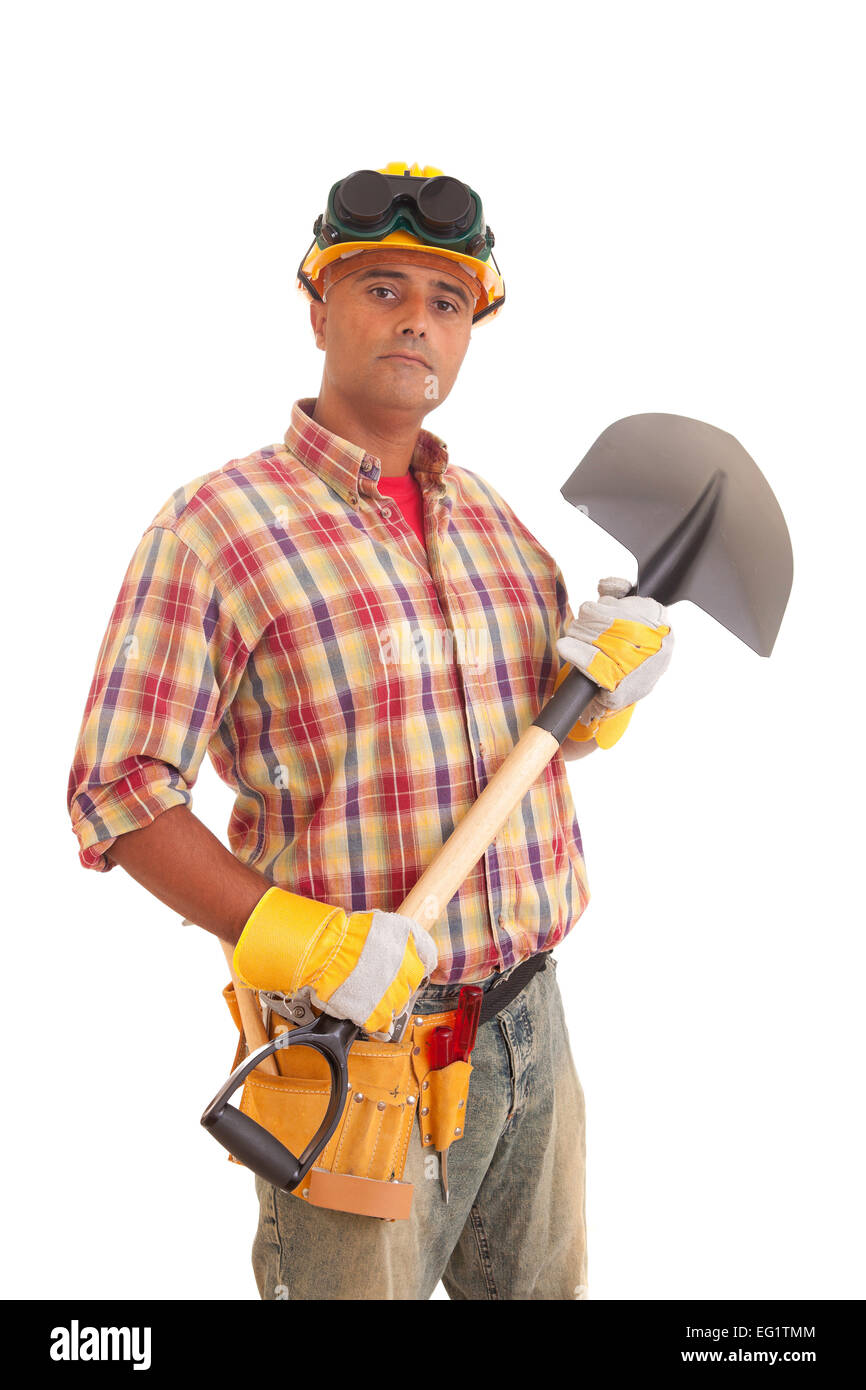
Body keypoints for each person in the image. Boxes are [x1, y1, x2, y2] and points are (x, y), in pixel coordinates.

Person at [67, 161, 674, 1300]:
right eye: (382, 288)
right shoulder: (216, 525)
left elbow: (526, 742)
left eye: (446, 302)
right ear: (317, 310)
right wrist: (310, 943)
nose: (416, 321)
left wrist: (599, 700)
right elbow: (119, 790)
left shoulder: (496, 523)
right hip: (358, 1065)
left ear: (469, 333)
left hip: (530, 1028)